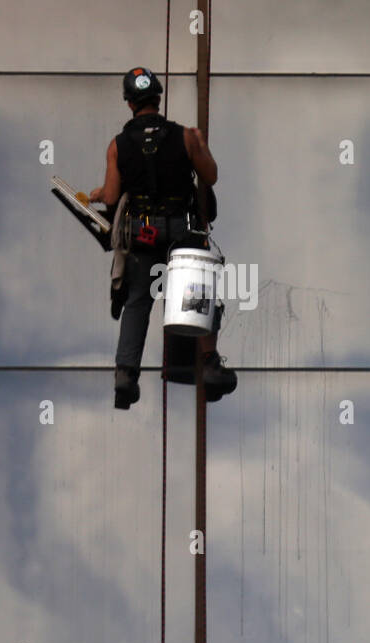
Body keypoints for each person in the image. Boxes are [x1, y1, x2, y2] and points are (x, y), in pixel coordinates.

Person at [90, 66, 236, 410]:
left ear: (130, 103)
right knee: (196, 291)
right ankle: (209, 363)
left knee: (138, 300)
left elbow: (111, 197)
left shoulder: (117, 146)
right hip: (181, 232)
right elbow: (211, 175)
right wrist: (201, 145)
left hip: (143, 235)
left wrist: (98, 193)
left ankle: (126, 375)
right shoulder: (185, 137)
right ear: (158, 98)